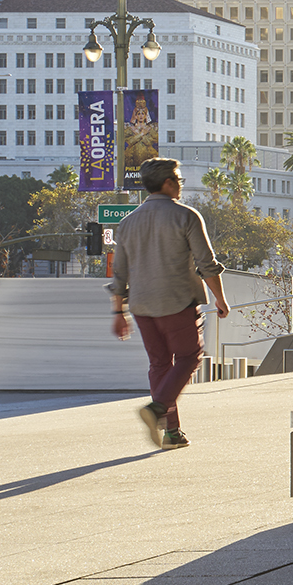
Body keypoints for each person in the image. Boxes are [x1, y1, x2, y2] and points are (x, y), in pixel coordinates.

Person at [107, 157, 228, 448]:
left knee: (160, 363)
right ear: (168, 183)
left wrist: (118, 312)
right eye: (179, 180)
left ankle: (172, 432)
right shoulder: (185, 216)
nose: (180, 186)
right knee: (189, 357)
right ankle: (157, 408)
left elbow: (118, 273)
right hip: (177, 302)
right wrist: (220, 299)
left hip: (141, 306)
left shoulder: (127, 222)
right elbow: (206, 264)